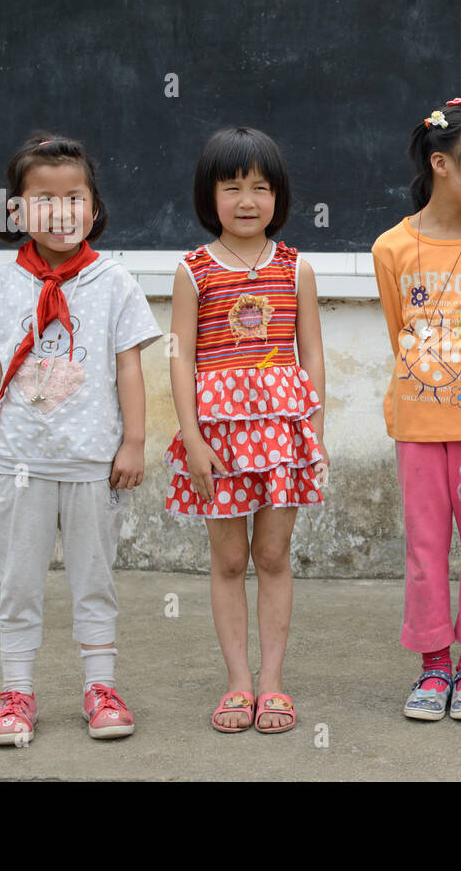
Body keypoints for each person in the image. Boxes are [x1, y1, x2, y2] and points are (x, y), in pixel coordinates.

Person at [0, 132, 161, 745]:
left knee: (93, 577)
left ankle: (100, 687)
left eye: (74, 197)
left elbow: (129, 365)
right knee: (18, 579)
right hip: (18, 459)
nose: (61, 211)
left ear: (94, 206)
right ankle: (16, 692)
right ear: (17, 210)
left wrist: (133, 443)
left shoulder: (115, 282)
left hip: (91, 462)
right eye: (43, 199)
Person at [164, 126, 327, 734]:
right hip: (218, 436)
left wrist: (311, 429)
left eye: (261, 187)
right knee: (230, 558)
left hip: (282, 431)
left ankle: (274, 684)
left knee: (273, 554)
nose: (247, 200)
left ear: (278, 197)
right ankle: (237, 684)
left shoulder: (296, 268)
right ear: (211, 196)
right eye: (232, 187)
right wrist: (193, 438)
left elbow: (311, 354)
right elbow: (181, 355)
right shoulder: (193, 271)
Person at [372, 98, 461, 721]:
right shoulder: (392, 248)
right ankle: (434, 666)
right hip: (419, 425)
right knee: (426, 549)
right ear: (441, 164)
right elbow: (396, 327)